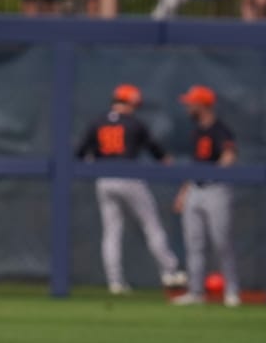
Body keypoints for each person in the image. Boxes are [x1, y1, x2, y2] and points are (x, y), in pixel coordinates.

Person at [75, 85, 186, 295]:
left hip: (104, 180)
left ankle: (115, 282)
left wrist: (96, 162)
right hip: (129, 177)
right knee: (151, 225)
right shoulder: (134, 123)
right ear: (131, 102)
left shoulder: (97, 123)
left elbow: (80, 154)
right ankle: (170, 270)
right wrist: (166, 161)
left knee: (112, 232)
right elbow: (157, 151)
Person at [170, 85, 240, 307]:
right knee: (194, 243)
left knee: (222, 242)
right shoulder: (196, 131)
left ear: (202, 104)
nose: (188, 106)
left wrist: (214, 172)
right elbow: (194, 165)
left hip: (216, 189)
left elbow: (229, 156)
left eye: (191, 102)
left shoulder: (220, 129)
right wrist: (184, 192)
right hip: (196, 189)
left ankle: (232, 291)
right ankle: (196, 291)